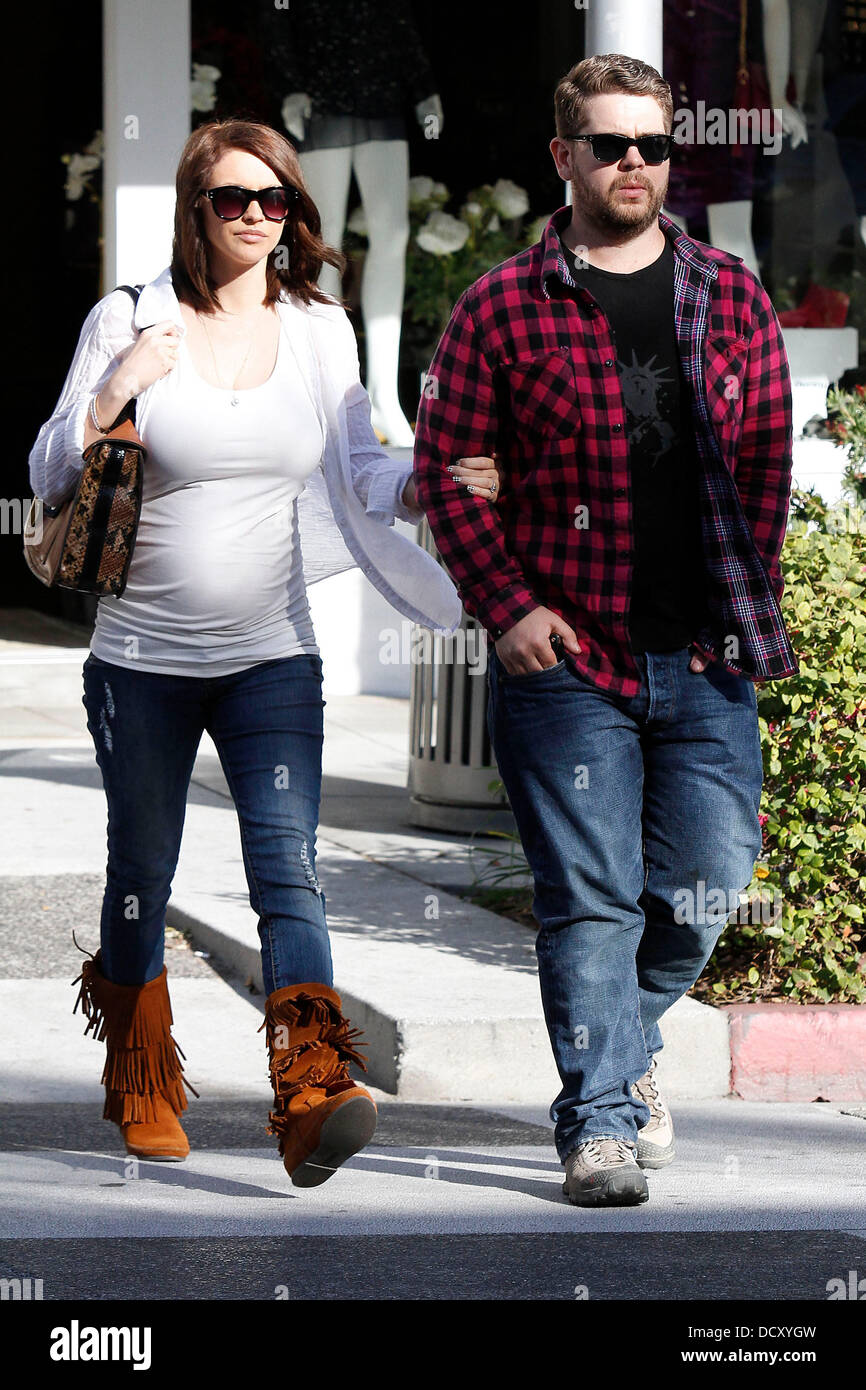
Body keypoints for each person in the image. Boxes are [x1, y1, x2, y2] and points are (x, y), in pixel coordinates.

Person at [29, 117, 498, 1187]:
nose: (256, 215)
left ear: (295, 212)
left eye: (275, 198)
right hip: (142, 658)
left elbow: (357, 471)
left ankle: (313, 1090)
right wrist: (113, 391)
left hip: (272, 656)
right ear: (195, 208)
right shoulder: (132, 316)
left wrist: (424, 485)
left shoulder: (322, 329)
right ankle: (138, 1068)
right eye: (233, 198)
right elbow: (50, 463)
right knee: (143, 869)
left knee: (286, 869)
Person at [413, 55, 798, 1207]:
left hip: (701, 660)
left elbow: (766, 472)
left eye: (653, 145)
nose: (635, 163)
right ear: (563, 155)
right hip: (565, 662)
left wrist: (735, 613)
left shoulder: (730, 296)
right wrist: (508, 607)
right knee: (587, 896)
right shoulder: (499, 304)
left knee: (708, 883)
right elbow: (446, 475)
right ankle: (596, 1127)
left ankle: (620, 1057)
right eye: (610, 143)